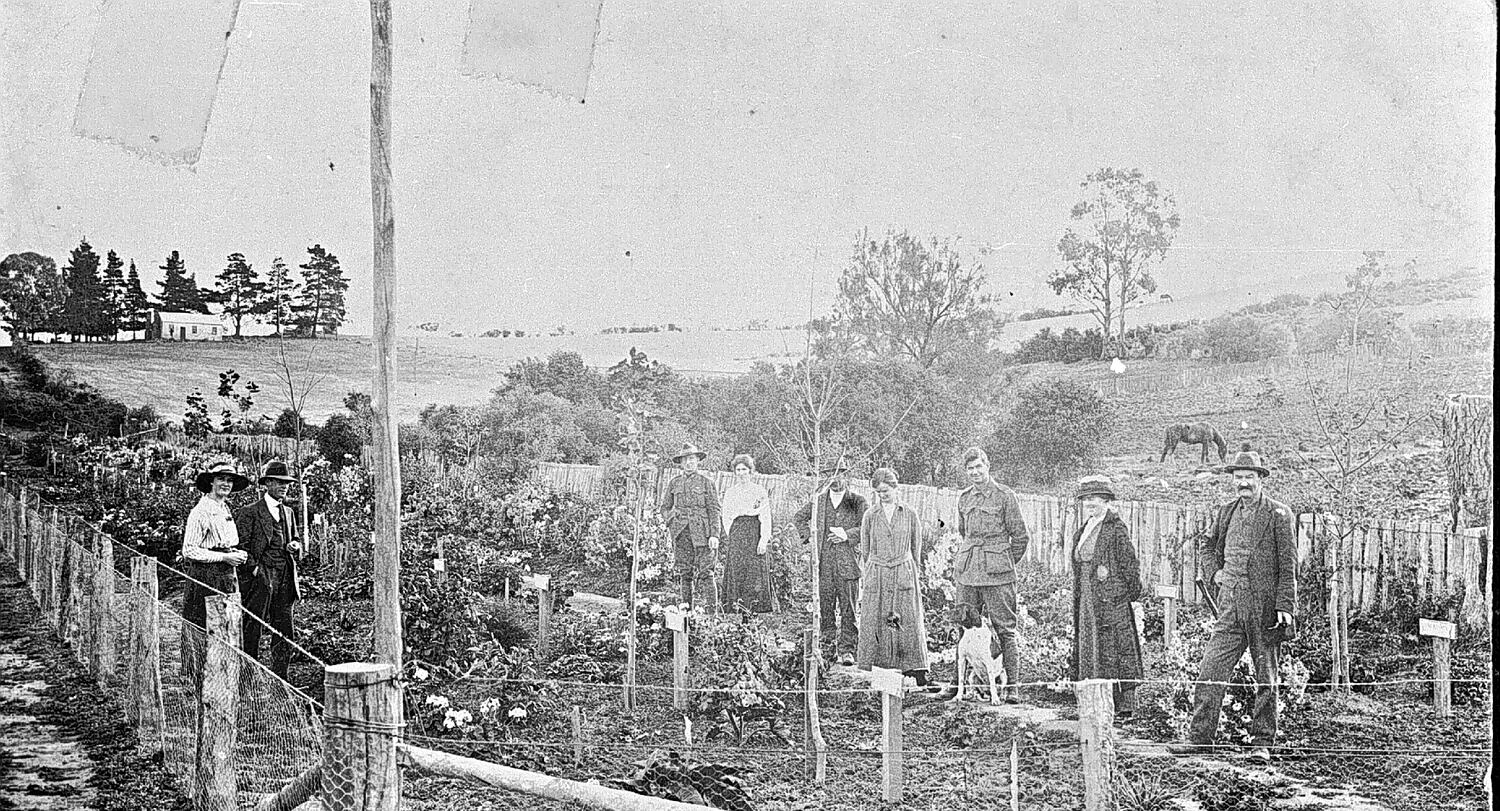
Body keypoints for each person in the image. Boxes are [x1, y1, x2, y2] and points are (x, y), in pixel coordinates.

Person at [1168, 444, 1296, 764]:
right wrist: (1215, 573)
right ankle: (1200, 740)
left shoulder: (1279, 514)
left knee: (1266, 677)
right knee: (1211, 669)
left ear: (1260, 478)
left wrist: (1285, 606)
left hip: (1264, 609)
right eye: (1239, 477)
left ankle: (1262, 743)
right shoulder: (1226, 512)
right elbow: (1208, 546)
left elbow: (1288, 566)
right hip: (1230, 605)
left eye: (1249, 477)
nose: (1244, 483)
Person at [954, 447, 1030, 703]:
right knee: (963, 627)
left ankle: (1012, 687)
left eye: (979, 466)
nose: (975, 472)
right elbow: (964, 532)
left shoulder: (1005, 496)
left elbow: (1020, 537)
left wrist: (1004, 561)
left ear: (987, 466)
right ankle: (958, 686)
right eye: (970, 468)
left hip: (998, 575)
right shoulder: (964, 498)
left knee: (1005, 629)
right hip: (968, 573)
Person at [1069, 475, 1143, 717]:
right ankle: (1093, 701)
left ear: (1106, 500)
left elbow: (1130, 564)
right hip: (1087, 597)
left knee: (1116, 646)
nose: (1090, 503)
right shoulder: (1085, 527)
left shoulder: (1115, 528)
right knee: (1091, 645)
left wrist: (1125, 595)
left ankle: (1123, 705)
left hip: (1110, 598)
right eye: (1086, 499)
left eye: (1095, 498)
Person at [855, 467, 930, 685]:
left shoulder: (909, 513)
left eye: (886, 491)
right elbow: (866, 549)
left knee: (905, 619)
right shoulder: (870, 515)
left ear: (896, 488)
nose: (883, 495)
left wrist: (910, 571)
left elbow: (916, 547)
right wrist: (873, 570)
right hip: (878, 572)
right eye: (879, 492)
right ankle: (881, 669)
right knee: (880, 619)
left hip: (902, 572)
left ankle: (914, 669)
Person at [180, 461, 251, 680]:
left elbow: (223, 542)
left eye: (230, 480)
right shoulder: (201, 511)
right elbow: (189, 550)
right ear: (211, 482)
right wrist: (224, 557)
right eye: (221, 479)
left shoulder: (223, 508)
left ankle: (222, 673)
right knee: (204, 623)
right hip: (206, 575)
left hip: (226, 574)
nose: (226, 484)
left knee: (225, 621)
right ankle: (199, 676)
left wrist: (235, 553)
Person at [793, 460, 867, 666]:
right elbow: (799, 518)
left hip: (848, 564)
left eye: (838, 474)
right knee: (825, 607)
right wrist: (810, 537)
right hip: (824, 563)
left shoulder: (857, 501)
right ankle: (827, 649)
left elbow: (866, 526)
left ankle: (847, 650)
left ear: (846, 476)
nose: (834, 479)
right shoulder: (819, 501)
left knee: (849, 609)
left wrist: (847, 535)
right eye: (830, 475)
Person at [235, 460, 303, 680]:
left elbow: (295, 538)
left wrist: (295, 545)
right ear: (267, 484)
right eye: (279, 482)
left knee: (285, 629)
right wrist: (255, 571)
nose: (284, 487)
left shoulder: (289, 512)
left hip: (285, 576)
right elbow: (241, 547)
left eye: (287, 483)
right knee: (253, 627)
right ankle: (248, 677)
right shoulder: (250, 512)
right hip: (261, 577)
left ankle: (280, 678)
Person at [659, 443, 722, 611]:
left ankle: (711, 616)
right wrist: (672, 520)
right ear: (681, 462)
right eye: (685, 459)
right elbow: (664, 508)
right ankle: (686, 614)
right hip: (681, 533)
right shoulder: (674, 483)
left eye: (692, 459)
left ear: (697, 460)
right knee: (685, 573)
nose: (689, 462)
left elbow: (714, 509)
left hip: (702, 534)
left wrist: (715, 535)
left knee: (707, 574)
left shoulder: (706, 482)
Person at [719, 454, 773, 614]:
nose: (741, 473)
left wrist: (763, 540)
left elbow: (765, 517)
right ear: (735, 472)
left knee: (753, 573)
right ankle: (736, 610)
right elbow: (726, 516)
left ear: (750, 471)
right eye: (738, 470)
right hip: (737, 532)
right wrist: (732, 535)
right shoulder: (731, 492)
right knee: (737, 571)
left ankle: (752, 611)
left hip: (754, 531)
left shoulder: (759, 491)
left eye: (744, 469)